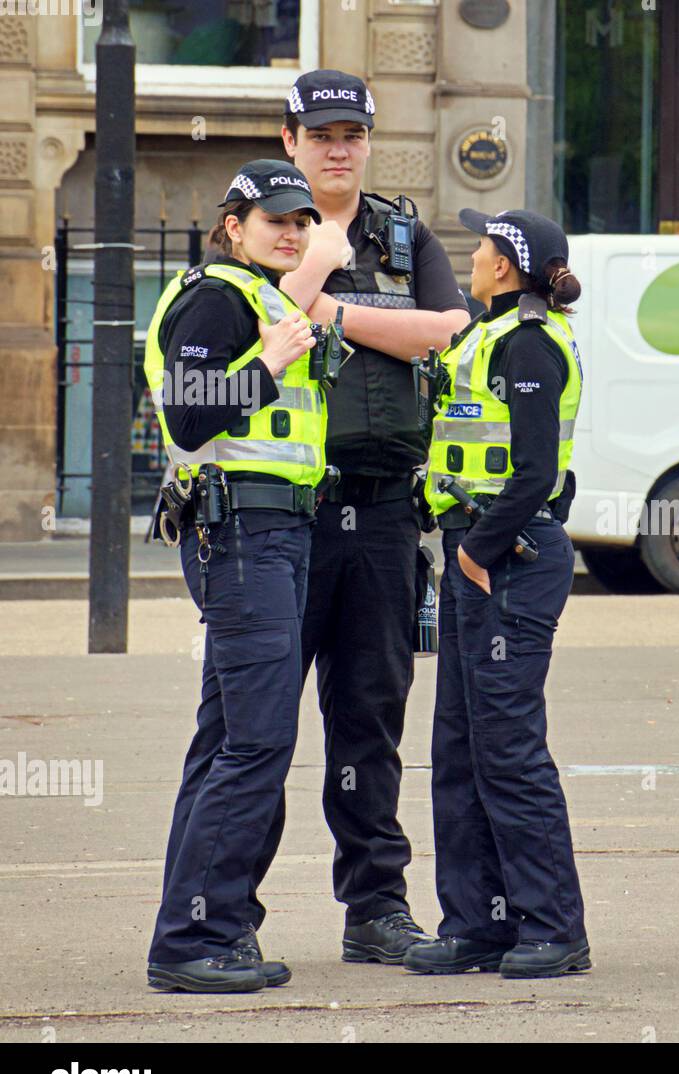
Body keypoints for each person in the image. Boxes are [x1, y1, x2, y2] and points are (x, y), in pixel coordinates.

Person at [264, 69, 471, 965]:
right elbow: (266, 317)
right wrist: (384, 319)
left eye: (352, 133)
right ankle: (223, 908)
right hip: (289, 514)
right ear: (290, 141)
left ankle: (376, 908)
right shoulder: (269, 226)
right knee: (256, 721)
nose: (338, 148)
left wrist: (335, 309)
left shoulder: (403, 229)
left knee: (372, 720)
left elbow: (449, 331)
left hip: (386, 511)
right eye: (322, 134)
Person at [145, 160, 327, 992]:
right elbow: (187, 414)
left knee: (227, 739)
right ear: (233, 225)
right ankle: (194, 942)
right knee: (257, 741)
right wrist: (273, 362)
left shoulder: (268, 297)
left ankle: (211, 926)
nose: (291, 234)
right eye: (274, 222)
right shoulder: (218, 297)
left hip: (271, 533)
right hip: (242, 534)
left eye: (300, 222)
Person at [402, 208, 590, 980]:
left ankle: (553, 928)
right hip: (478, 552)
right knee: (459, 747)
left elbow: (536, 470)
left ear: (506, 266)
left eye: (481, 246)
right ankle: (476, 924)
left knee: (509, 750)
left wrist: (476, 551)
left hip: (509, 553)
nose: (470, 254)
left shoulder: (529, 342)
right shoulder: (488, 335)